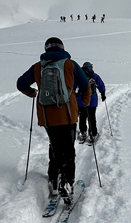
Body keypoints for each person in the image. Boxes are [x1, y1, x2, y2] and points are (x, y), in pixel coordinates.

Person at [17, 37, 91, 204]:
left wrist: (32, 93)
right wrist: (84, 103)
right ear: (62, 47)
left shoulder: (38, 66)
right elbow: (85, 86)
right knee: (68, 149)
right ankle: (67, 182)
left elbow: (20, 83)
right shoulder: (70, 64)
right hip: (68, 115)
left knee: (55, 146)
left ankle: (53, 181)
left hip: (48, 117)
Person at [75, 61, 106, 143]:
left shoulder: (79, 76)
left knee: (82, 117)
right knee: (91, 117)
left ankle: (83, 133)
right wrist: (103, 93)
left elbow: (73, 86)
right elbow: (101, 85)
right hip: (92, 101)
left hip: (81, 101)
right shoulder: (95, 76)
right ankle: (93, 134)